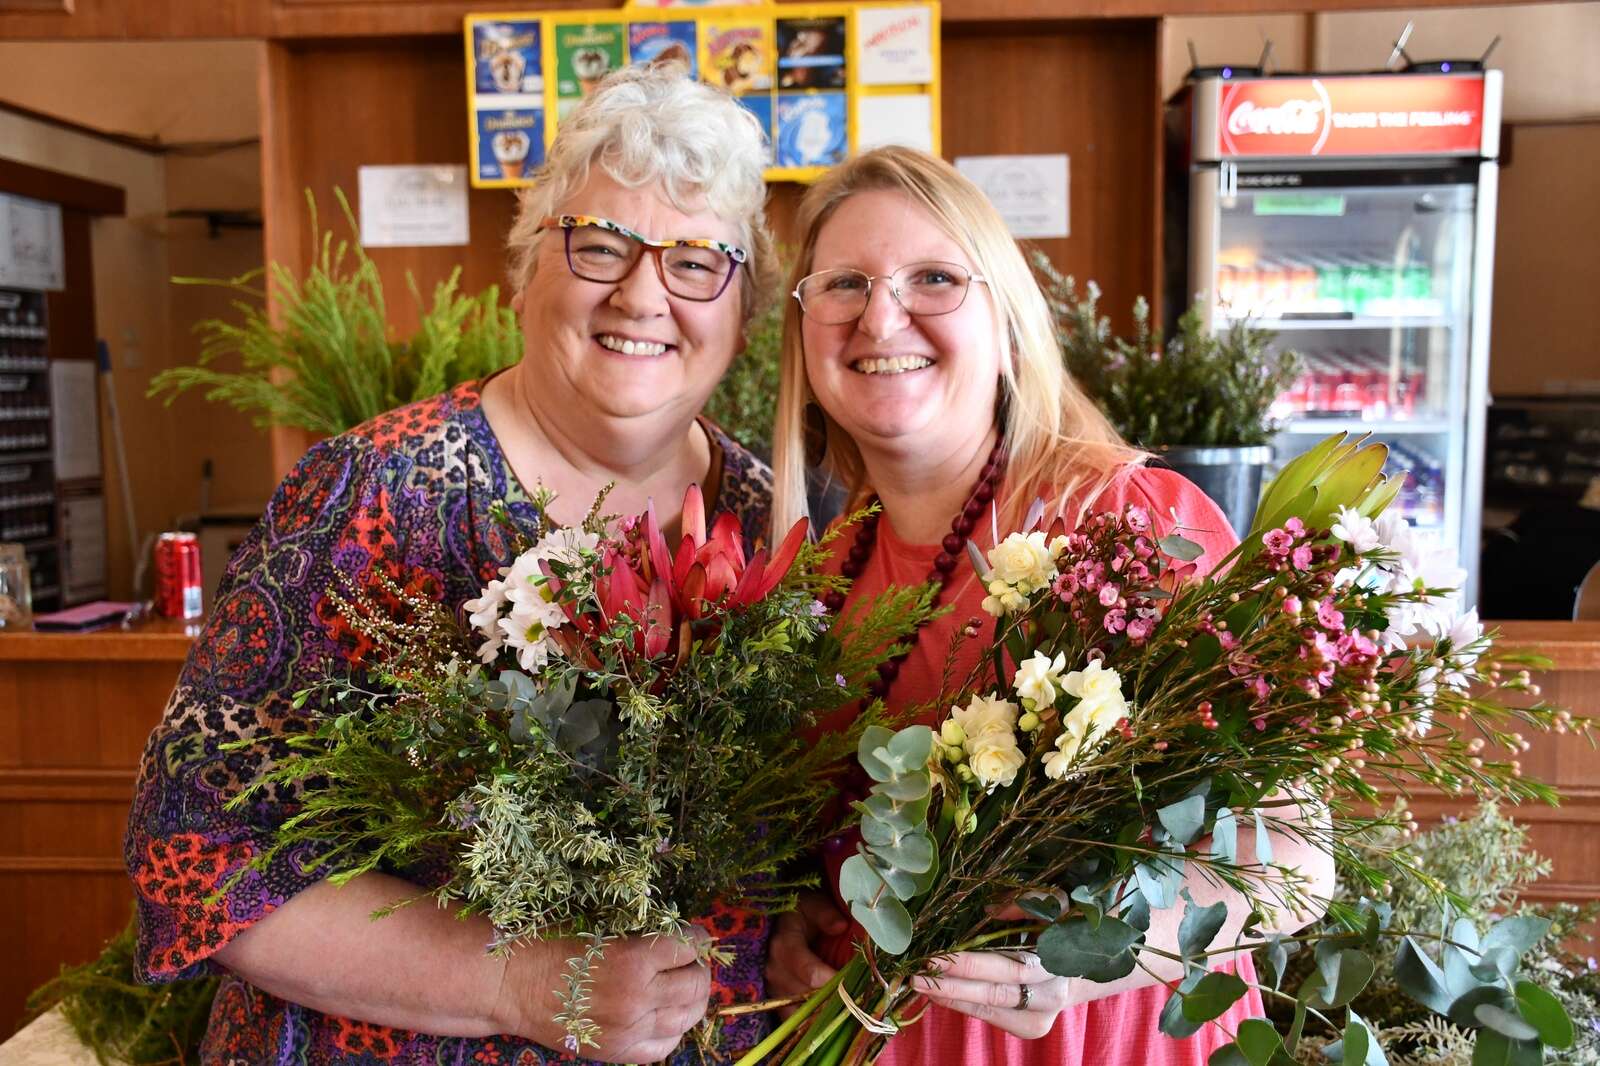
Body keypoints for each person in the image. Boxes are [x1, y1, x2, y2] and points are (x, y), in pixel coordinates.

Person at [125, 63, 781, 1065]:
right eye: (601, 244)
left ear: (742, 308)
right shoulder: (369, 494)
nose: (644, 292)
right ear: (528, 268)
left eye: (697, 260)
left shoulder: (774, 519)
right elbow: (196, 855)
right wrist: (519, 981)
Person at [765, 146, 1334, 1065]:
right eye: (841, 284)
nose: (880, 315)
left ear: (1008, 319)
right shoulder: (825, 570)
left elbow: (1298, 862)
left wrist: (1087, 961)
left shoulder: (1129, 526)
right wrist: (792, 916)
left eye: (934, 278)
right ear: (803, 331)